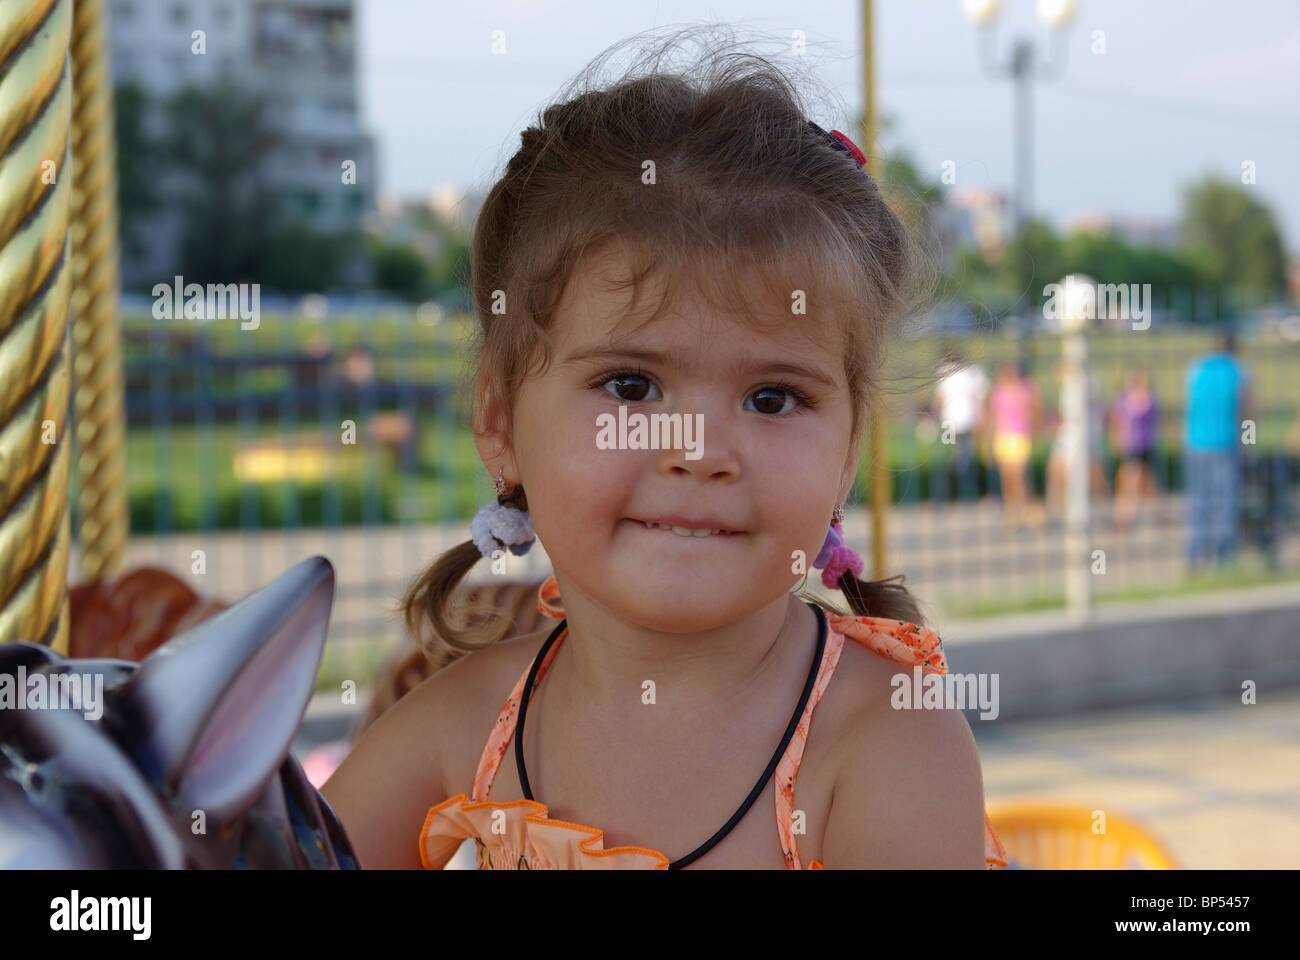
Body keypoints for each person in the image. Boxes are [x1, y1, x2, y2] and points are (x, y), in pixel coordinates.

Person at [321, 31, 1008, 871]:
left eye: (772, 398)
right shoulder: (457, 729)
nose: (699, 452)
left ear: (849, 451)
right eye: (632, 386)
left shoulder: (886, 744)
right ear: (501, 425)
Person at [1183, 331, 1253, 568]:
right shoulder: (1238, 370)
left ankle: (1196, 554)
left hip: (1195, 442)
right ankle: (1223, 555)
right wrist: (1249, 444)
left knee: (1198, 500)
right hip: (1225, 442)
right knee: (1225, 500)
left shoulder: (1197, 367)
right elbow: (1247, 411)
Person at [1046, 362, 1110, 522]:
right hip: (1067, 437)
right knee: (1055, 472)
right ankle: (1056, 514)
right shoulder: (1068, 387)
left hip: (1084, 439)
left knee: (1093, 479)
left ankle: (1103, 509)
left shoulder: (1089, 384)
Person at [987, 360, 1044, 527]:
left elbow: (1035, 410)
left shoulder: (1026, 389)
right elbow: (993, 416)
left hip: (1020, 436)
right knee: (1007, 477)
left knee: (1019, 476)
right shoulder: (998, 392)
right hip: (1003, 437)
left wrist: (1036, 427)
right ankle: (1011, 512)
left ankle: (1026, 509)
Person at [933, 347, 989, 500]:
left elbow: (940, 400)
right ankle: (978, 492)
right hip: (965, 421)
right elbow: (979, 399)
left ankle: (946, 495)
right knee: (963, 458)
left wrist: (934, 420)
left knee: (952, 458)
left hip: (949, 424)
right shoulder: (972, 372)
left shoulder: (945, 372)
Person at [1109, 366, 1160, 528]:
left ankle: (1124, 518)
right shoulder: (1122, 400)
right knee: (1138, 482)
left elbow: (1147, 411)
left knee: (1133, 482)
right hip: (1129, 447)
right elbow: (1115, 420)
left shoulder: (1148, 399)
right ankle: (1159, 512)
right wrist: (1116, 440)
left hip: (1143, 446)